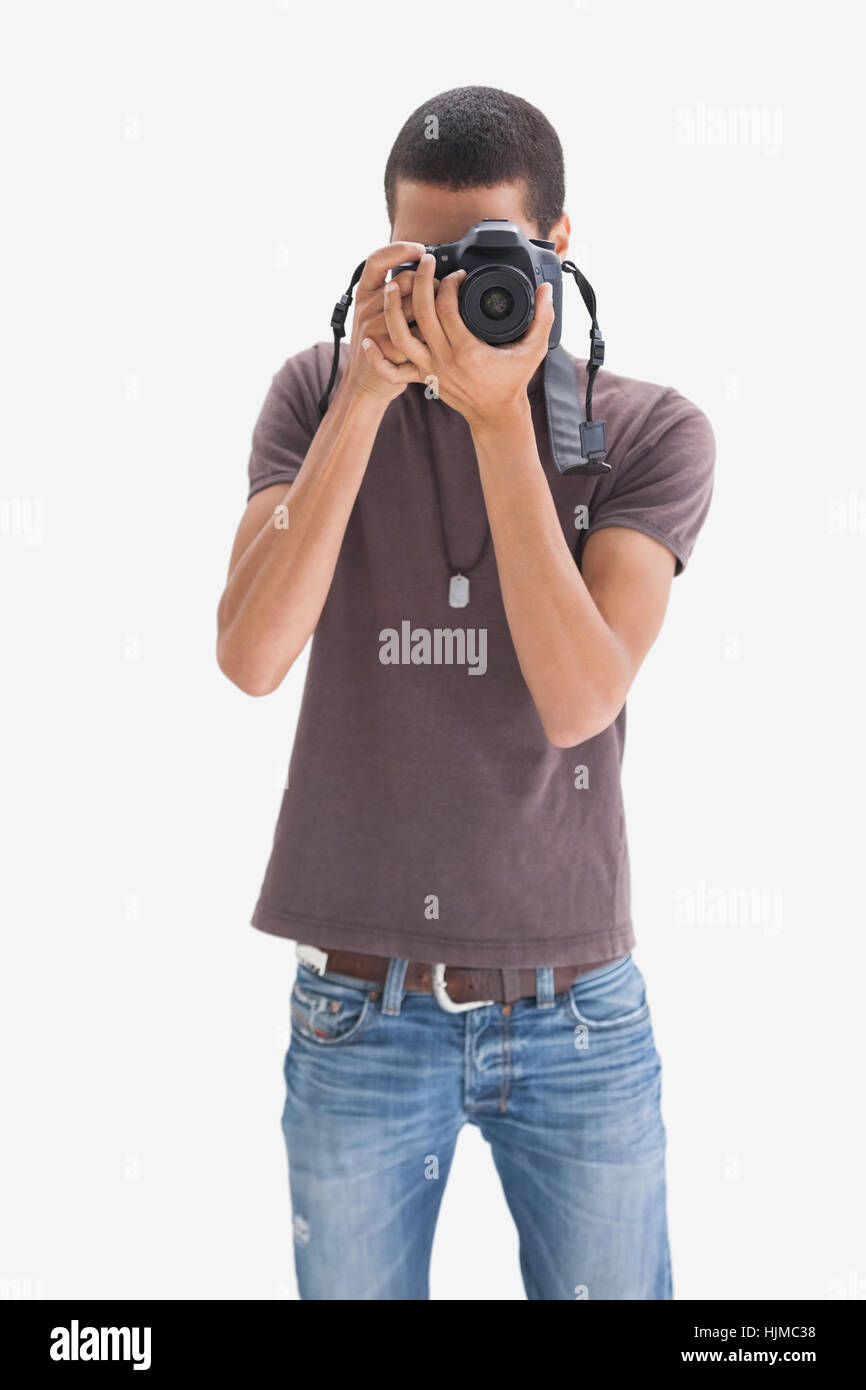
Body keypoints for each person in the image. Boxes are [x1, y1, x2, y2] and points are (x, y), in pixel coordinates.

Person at [216, 86, 715, 1301]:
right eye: (420, 260)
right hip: (355, 1006)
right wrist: (366, 395)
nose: (450, 296)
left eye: (482, 258)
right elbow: (250, 655)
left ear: (554, 250)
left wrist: (505, 424)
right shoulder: (314, 394)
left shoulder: (647, 429)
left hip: (578, 1013)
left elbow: (577, 698)